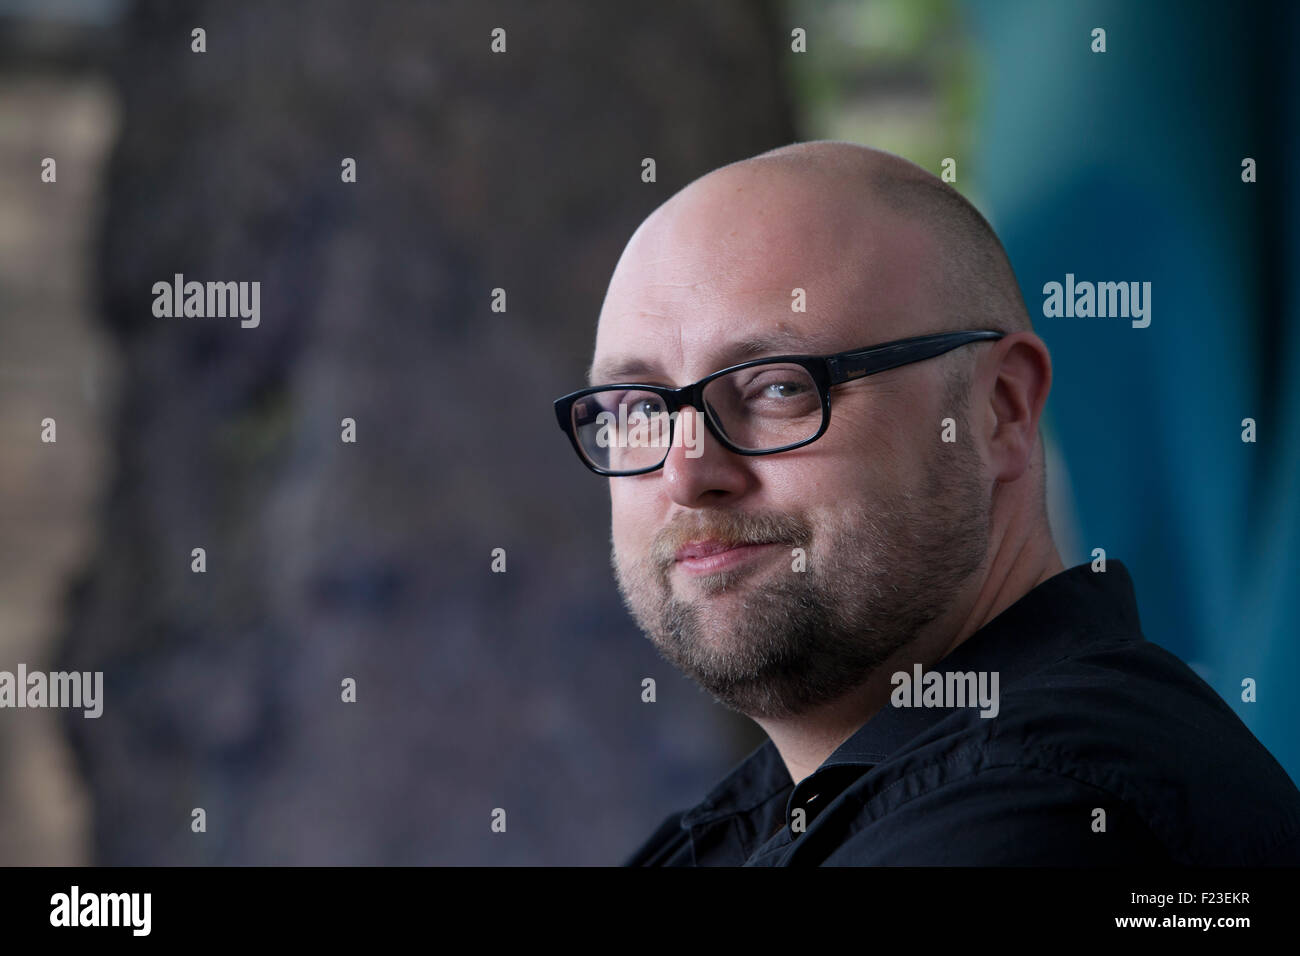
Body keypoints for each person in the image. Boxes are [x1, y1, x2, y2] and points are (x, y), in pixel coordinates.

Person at [552, 141, 1300, 865]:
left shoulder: (1049, 816)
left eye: (778, 387)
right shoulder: (787, 810)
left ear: (1000, 409)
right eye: (637, 409)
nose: (687, 476)